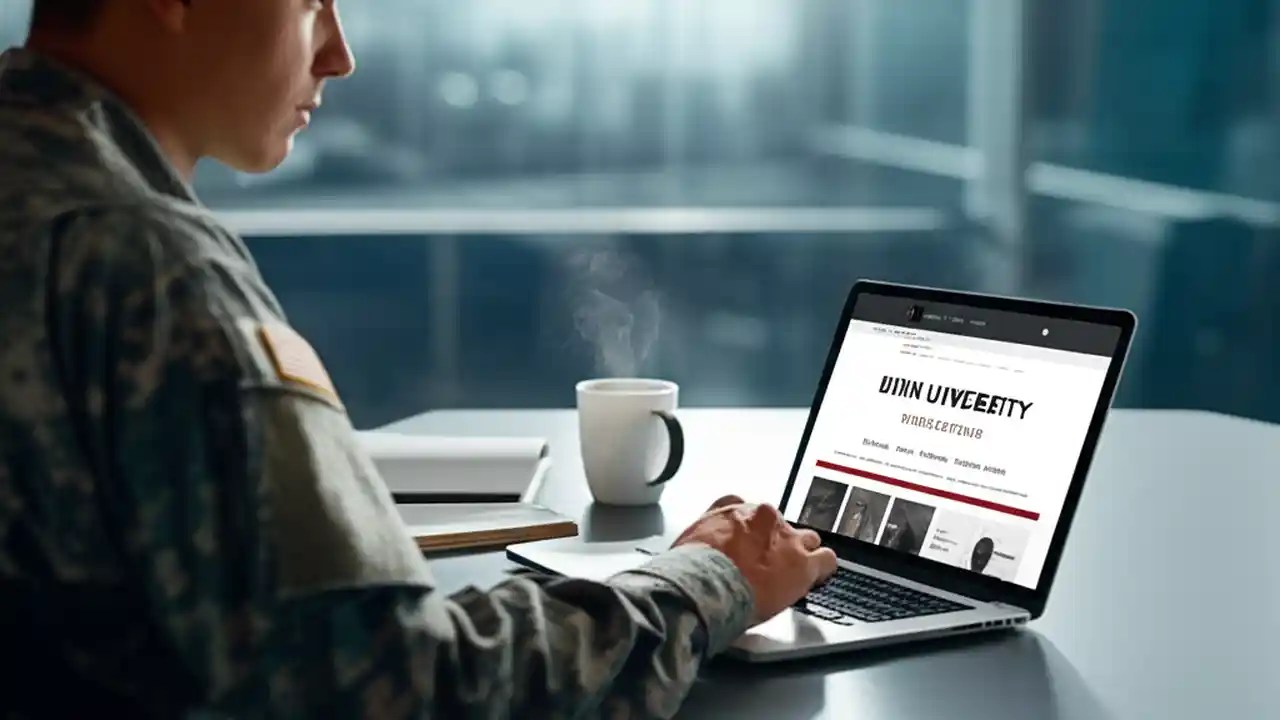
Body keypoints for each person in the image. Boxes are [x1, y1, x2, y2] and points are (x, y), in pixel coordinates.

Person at [0, 1, 839, 717]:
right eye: (308, 4)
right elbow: (399, 686)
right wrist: (703, 582)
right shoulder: (144, 262)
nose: (340, 53)